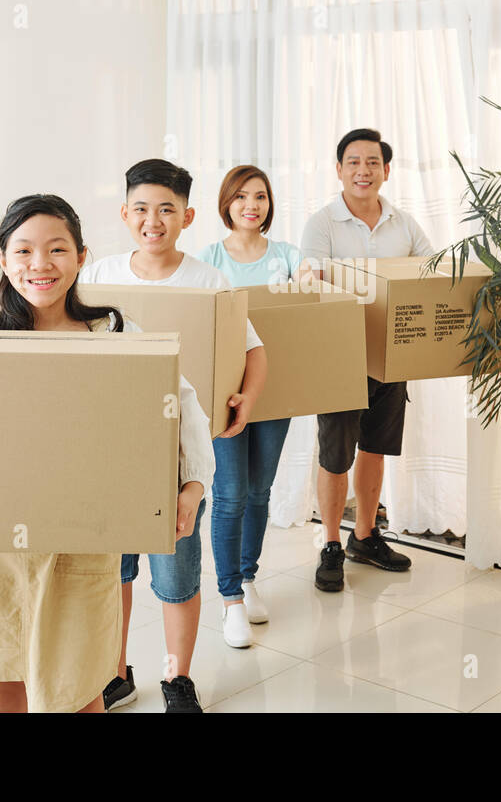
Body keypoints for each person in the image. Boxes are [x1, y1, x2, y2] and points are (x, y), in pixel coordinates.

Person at [0, 193, 215, 713]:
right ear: (4, 260)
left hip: (83, 542)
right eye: (23, 252)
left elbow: (179, 402)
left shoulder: (112, 331)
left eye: (57, 249)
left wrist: (193, 484)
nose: (40, 265)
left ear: (82, 256)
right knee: (0, 681)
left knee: (79, 689)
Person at [80, 159, 267, 712]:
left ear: (186, 216)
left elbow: (253, 349)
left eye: (166, 210)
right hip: (109, 448)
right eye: (140, 209)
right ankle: (115, 673)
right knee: (113, 569)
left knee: (178, 570)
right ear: (124, 214)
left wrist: (246, 401)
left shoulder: (208, 280)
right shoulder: (97, 278)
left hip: (180, 453)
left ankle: (177, 677)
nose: (152, 220)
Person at [299, 128, 435, 592]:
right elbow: (311, 285)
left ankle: (365, 535)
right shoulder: (322, 224)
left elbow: (431, 275)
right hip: (340, 358)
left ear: (386, 170)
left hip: (391, 358)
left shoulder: (403, 222)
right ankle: (331, 543)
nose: (363, 171)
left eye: (372, 163)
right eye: (353, 162)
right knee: (336, 454)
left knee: (376, 447)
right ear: (339, 170)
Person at [196, 165, 313, 648]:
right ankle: (230, 602)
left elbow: (308, 303)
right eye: (241, 196)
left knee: (261, 491)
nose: (251, 205)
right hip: (224, 393)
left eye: (260, 197)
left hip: (273, 390)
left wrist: (309, 278)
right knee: (230, 495)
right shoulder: (207, 260)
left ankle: (247, 577)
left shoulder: (287, 256)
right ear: (226, 202)